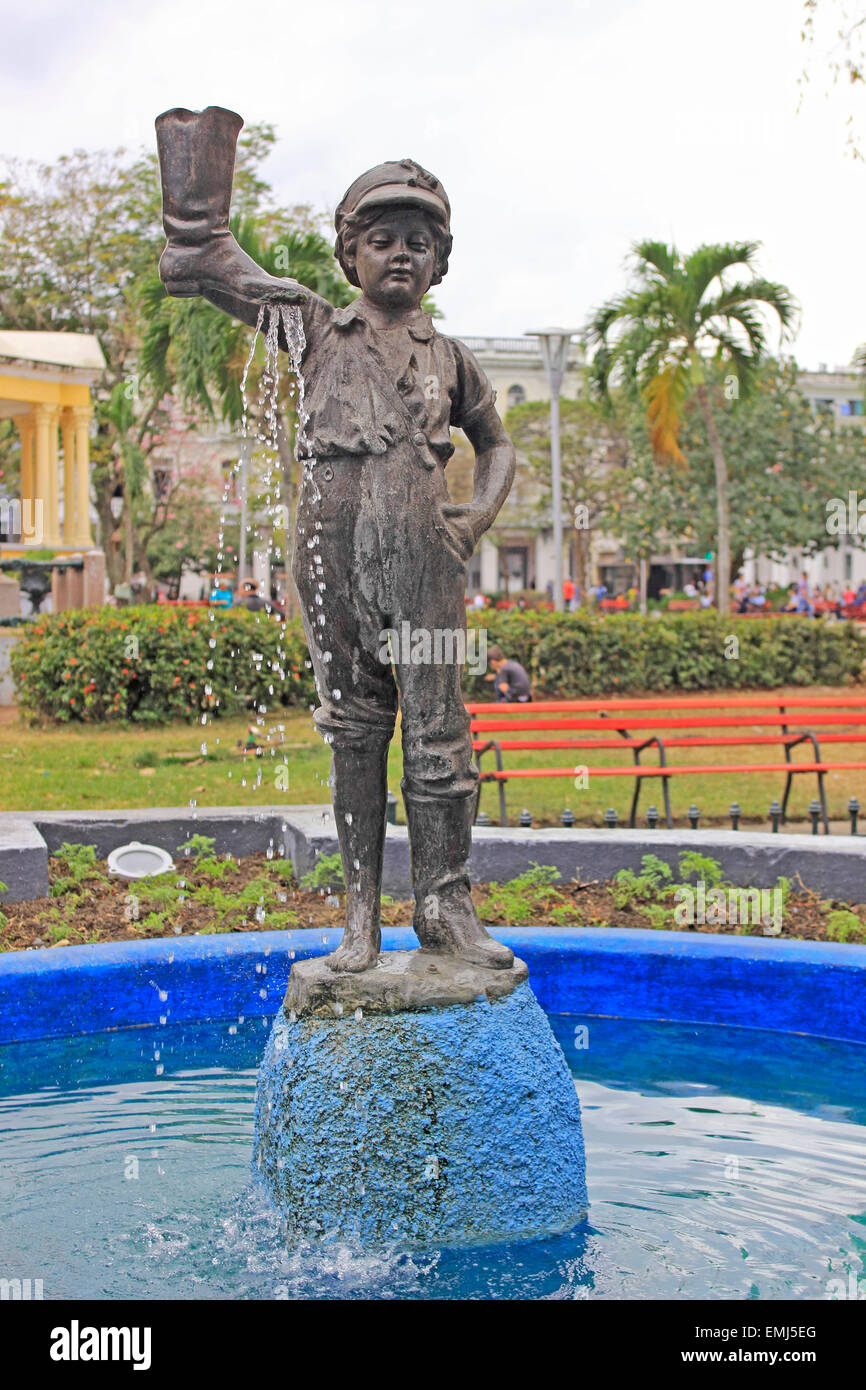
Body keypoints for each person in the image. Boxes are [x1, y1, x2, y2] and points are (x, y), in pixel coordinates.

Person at [156, 108, 514, 973]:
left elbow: (496, 441)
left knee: (439, 730)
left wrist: (474, 519)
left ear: (440, 262)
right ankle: (359, 915)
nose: (402, 254)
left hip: (425, 555)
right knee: (354, 727)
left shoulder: (451, 357)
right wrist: (196, 210)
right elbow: (216, 268)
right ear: (349, 252)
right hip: (332, 550)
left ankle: (445, 906)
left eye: (420, 243)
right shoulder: (314, 327)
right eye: (383, 238)